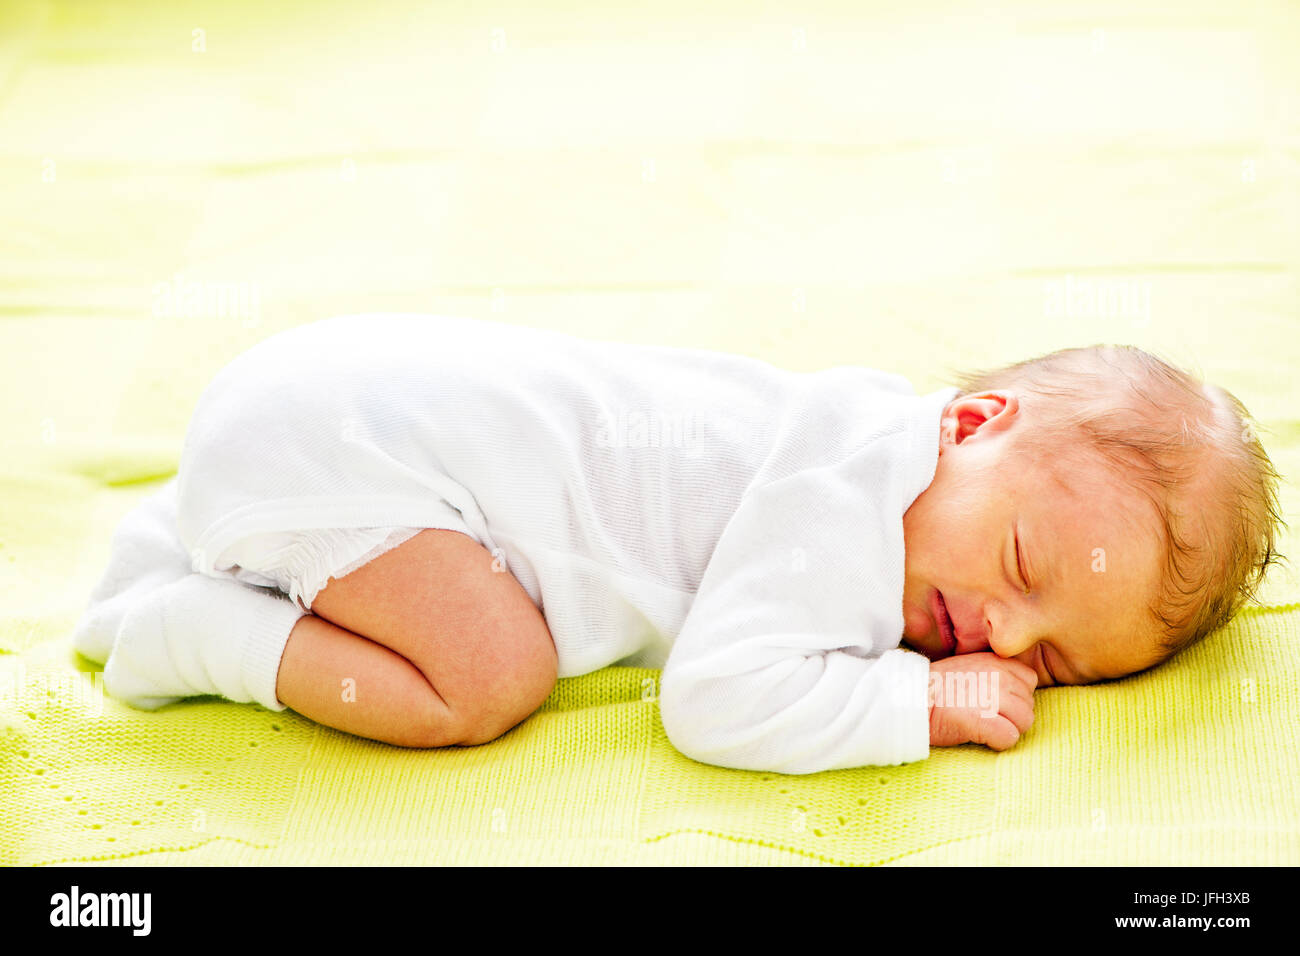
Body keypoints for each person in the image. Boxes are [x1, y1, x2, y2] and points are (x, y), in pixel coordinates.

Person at [71, 314, 1284, 774]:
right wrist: (911, 707)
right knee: (487, 676)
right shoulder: (843, 498)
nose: (1006, 634)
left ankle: (201, 528)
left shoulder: (876, 441)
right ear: (966, 425)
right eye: (1022, 567)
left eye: (1057, 659)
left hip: (318, 401)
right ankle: (192, 630)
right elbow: (713, 701)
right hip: (347, 448)